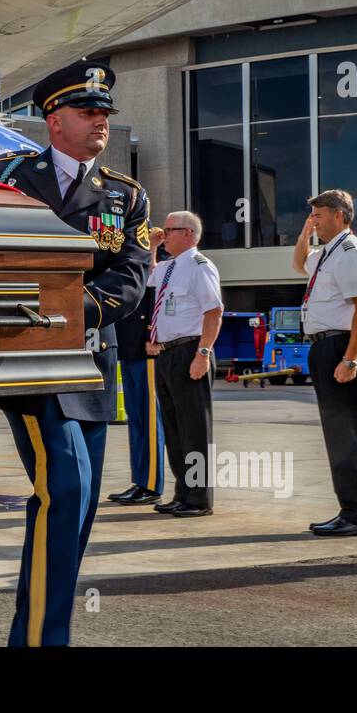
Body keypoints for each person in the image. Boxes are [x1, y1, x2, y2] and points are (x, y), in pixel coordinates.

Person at [0, 60, 149, 646]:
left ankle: (39, 631)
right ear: (54, 120)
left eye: (105, 112)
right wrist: (46, 312)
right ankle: (41, 639)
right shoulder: (9, 178)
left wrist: (77, 310)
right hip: (30, 362)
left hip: (91, 362)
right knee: (68, 490)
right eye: (87, 111)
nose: (100, 120)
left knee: (76, 511)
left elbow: (132, 272)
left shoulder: (125, 195)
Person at [292, 190, 357, 537]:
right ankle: (349, 509)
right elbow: (300, 263)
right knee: (335, 433)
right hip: (324, 347)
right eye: (312, 216)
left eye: (320, 215)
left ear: (341, 216)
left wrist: (350, 358)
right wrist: (305, 234)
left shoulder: (349, 253)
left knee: (346, 434)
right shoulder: (327, 253)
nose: (314, 221)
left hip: (339, 346)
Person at [146, 212, 222, 518]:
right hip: (166, 353)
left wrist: (203, 353)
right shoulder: (168, 266)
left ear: (188, 233)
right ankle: (182, 492)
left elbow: (214, 312)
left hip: (190, 350)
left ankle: (199, 498)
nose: (164, 234)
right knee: (174, 429)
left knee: (194, 429)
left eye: (169, 230)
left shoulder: (199, 266)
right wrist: (152, 247)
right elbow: (150, 277)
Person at [107, 229, 164, 505]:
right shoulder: (134, 266)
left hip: (145, 352)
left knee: (149, 421)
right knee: (137, 420)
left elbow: (155, 301)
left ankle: (151, 484)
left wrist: (152, 336)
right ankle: (140, 480)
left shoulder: (162, 269)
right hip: (130, 352)